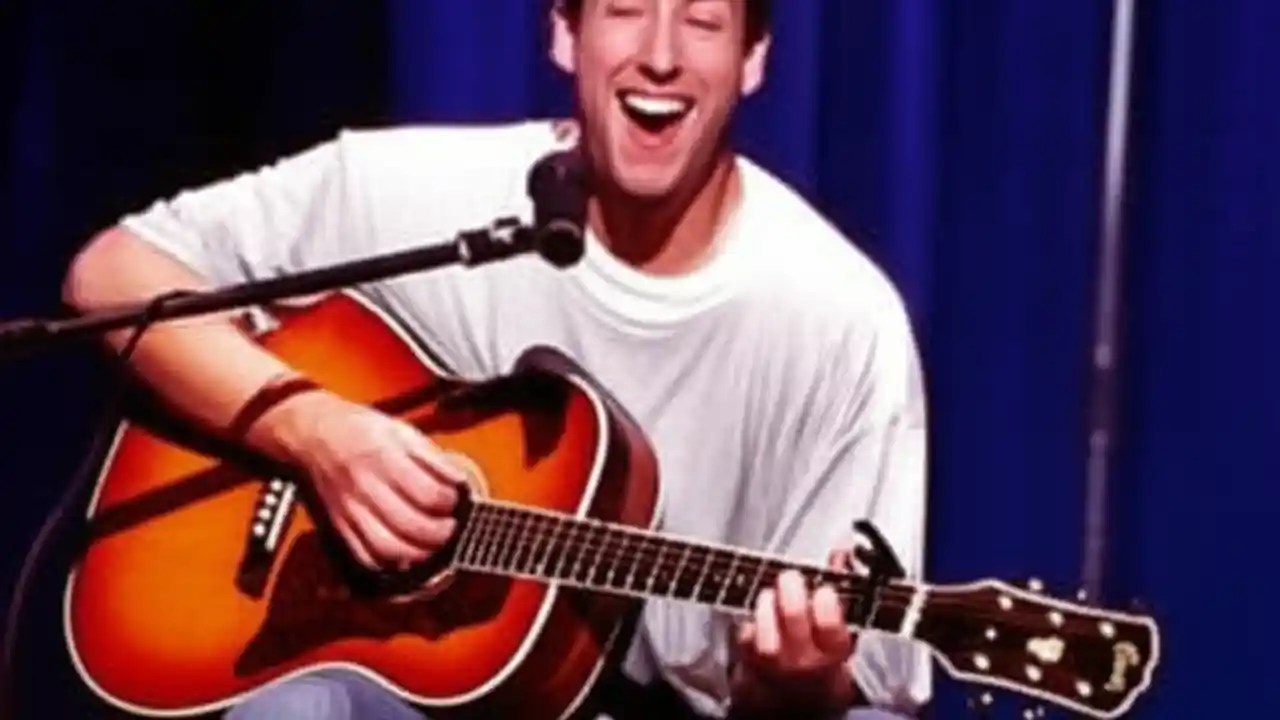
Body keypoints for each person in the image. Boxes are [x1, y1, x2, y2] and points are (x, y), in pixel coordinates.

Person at [63, 0, 931, 717]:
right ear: (564, 34)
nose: (661, 54)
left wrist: (794, 681)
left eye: (702, 20)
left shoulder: (839, 322)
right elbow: (112, 271)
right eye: (626, 10)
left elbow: (850, 690)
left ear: (753, 59)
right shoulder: (415, 193)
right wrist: (315, 433)